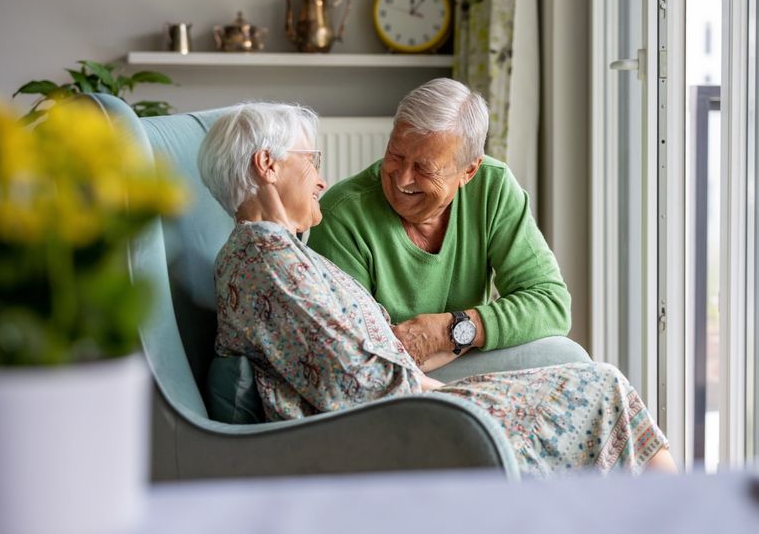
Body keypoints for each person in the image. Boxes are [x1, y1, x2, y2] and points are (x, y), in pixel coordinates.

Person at [197, 101, 676, 476]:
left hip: (414, 398)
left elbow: (355, 356)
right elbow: (354, 382)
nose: (322, 178)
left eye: (424, 167)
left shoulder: (280, 253)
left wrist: (447, 339)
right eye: (311, 160)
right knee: (602, 388)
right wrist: (445, 388)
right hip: (404, 420)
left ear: (467, 171)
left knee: (594, 383)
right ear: (268, 165)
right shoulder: (269, 262)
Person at [308, 78, 570, 371]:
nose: (402, 178)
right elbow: (353, 357)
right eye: (396, 155)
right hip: (392, 381)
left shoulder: (492, 188)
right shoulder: (341, 215)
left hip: (464, 361)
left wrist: (449, 331)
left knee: (567, 355)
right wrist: (461, 340)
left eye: (424, 168)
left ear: (468, 171)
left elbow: (551, 303)